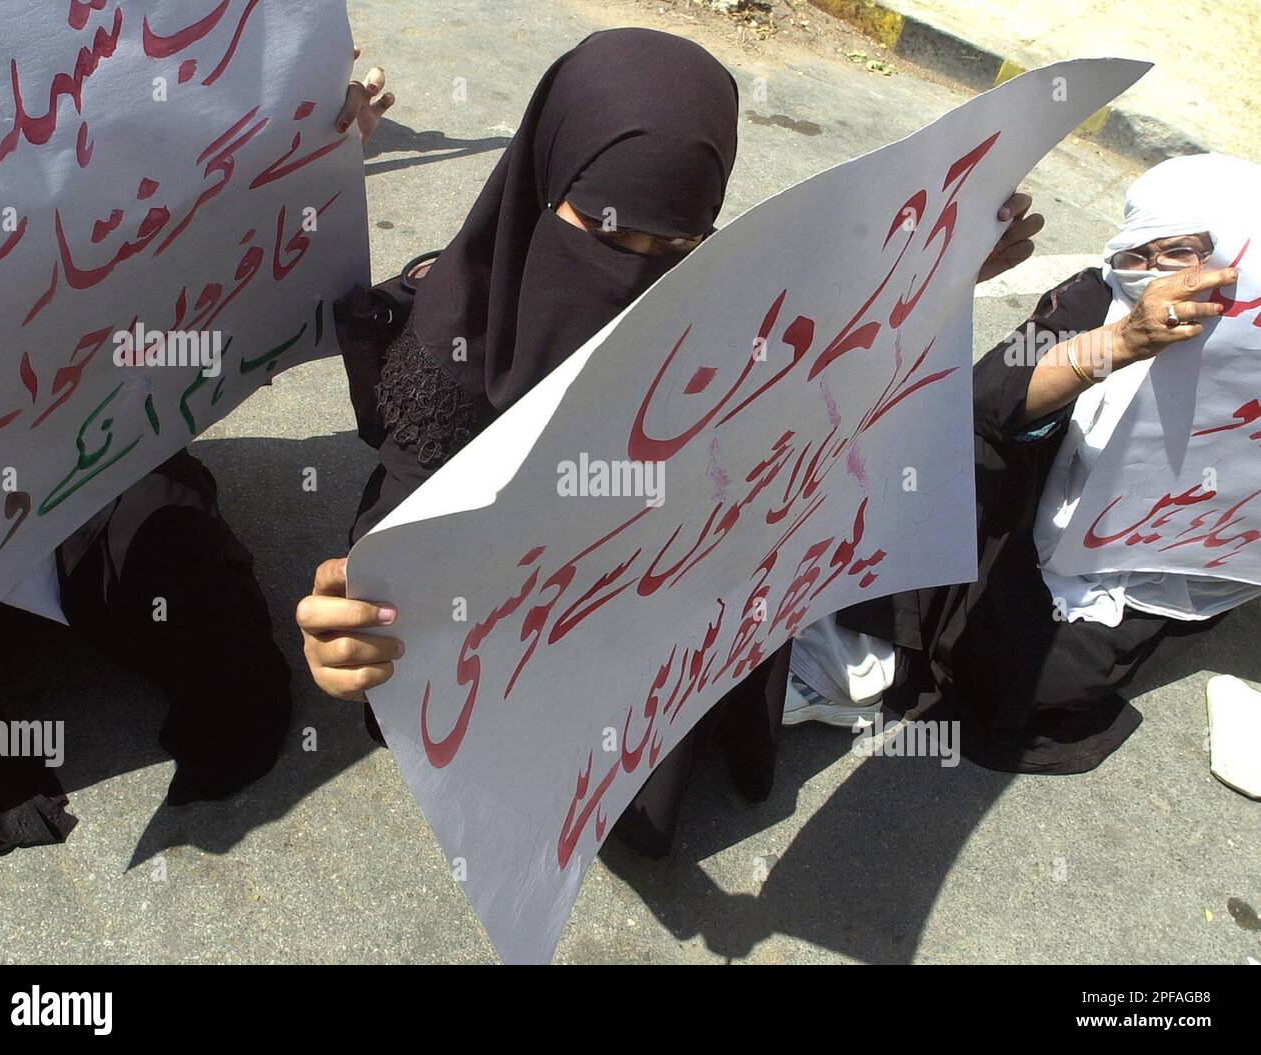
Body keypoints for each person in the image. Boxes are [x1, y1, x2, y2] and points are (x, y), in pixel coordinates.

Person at [295, 27, 1042, 855]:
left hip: (644, 598)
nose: (638, 275)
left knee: (647, 796)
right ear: (547, 186)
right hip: (512, 629)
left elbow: (820, 363)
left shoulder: (712, 296)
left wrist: (939, 275)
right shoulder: (457, 344)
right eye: (608, 237)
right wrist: (350, 636)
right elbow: (392, 570)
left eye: (677, 247)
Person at [0, 55, 395, 857]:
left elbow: (174, 176)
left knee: (212, 627)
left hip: (79, 420)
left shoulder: (77, 60)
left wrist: (307, 140)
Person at [793, 152, 1253, 776]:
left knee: (1018, 685)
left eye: (1180, 254)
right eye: (1137, 254)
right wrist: (1119, 345)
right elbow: (991, 398)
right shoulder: (1101, 297)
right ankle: (850, 651)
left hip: (1142, 573)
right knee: (935, 453)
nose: (1152, 275)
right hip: (1027, 517)